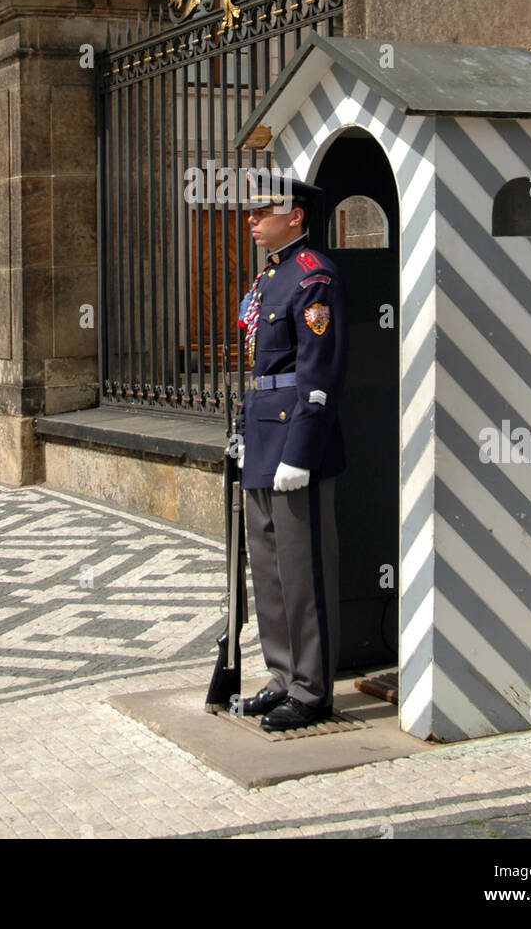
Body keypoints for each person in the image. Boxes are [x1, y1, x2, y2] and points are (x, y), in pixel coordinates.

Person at [235, 176, 348, 731]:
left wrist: (300, 451)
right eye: (252, 212)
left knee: (304, 572)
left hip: (294, 443)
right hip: (261, 437)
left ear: (296, 216)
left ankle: (312, 688)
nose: (253, 220)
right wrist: (243, 434)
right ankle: (282, 675)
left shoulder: (313, 276)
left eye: (263, 212)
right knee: (270, 569)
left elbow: (318, 373)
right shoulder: (269, 279)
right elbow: (259, 370)